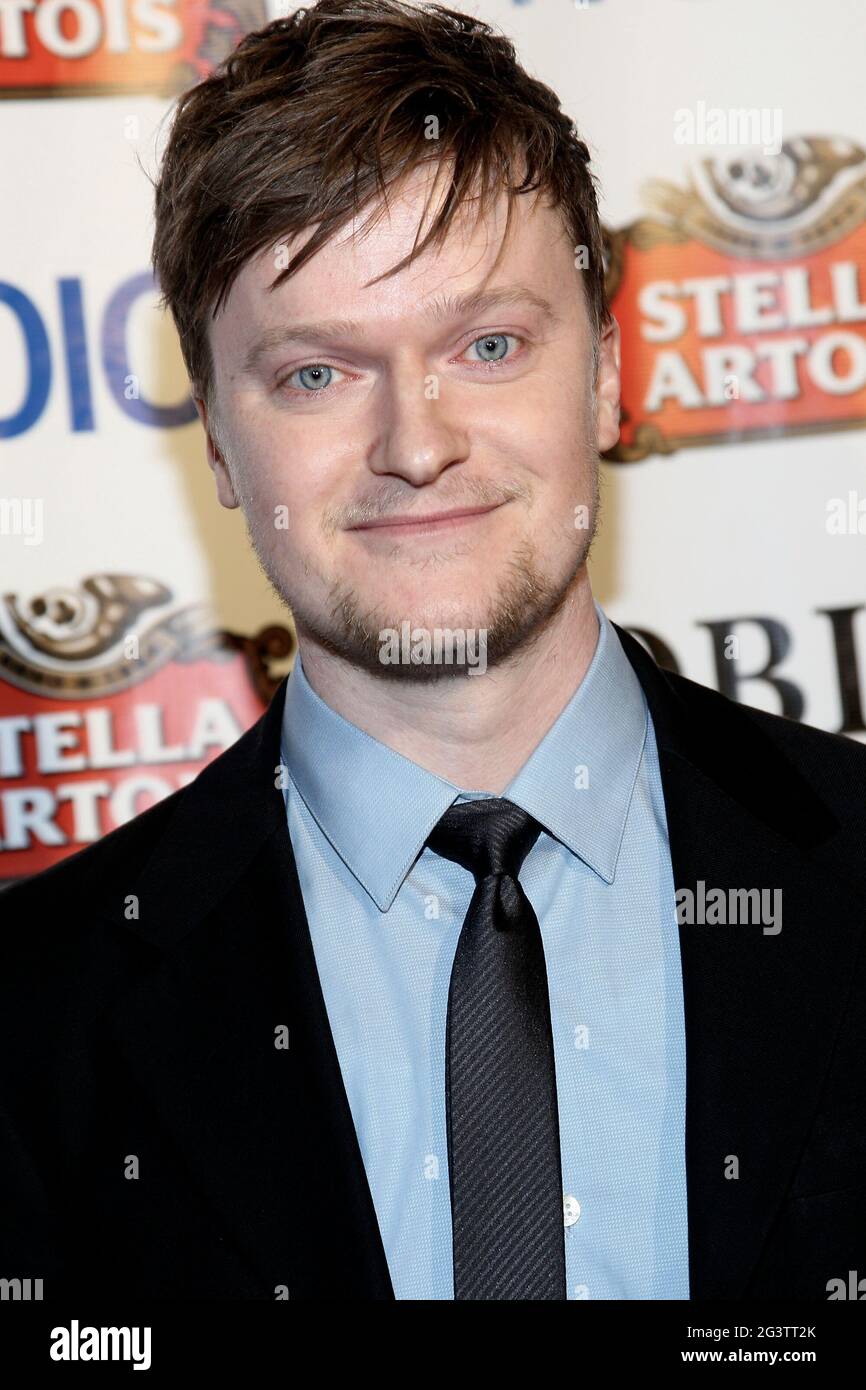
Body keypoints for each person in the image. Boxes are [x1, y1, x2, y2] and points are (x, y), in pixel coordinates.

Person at [1, 0, 864, 1302]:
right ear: (221, 448)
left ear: (608, 377)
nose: (417, 440)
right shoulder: (32, 1016)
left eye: (489, 344)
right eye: (314, 373)